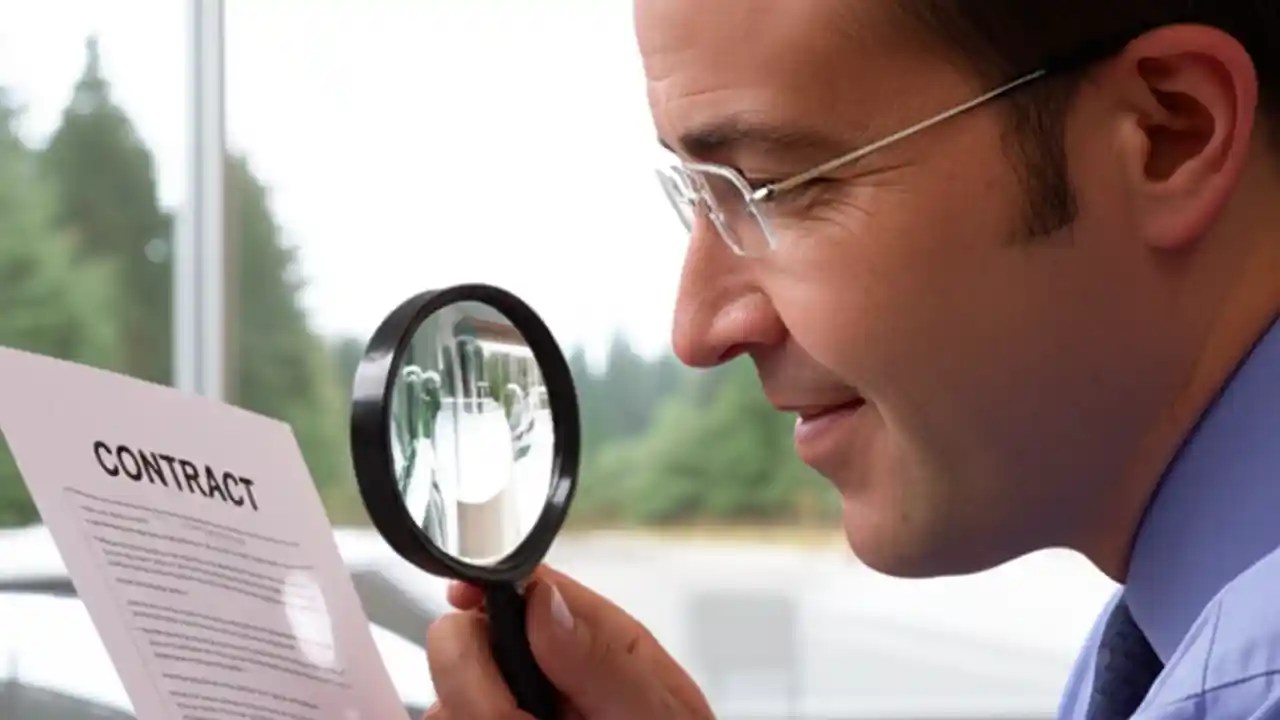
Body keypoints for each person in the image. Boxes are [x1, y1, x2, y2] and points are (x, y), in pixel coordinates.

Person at [423, 1, 1280, 717]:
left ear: (1169, 135)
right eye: (698, 196)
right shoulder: (1173, 651)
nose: (699, 329)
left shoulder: (1247, 680)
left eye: (779, 188)